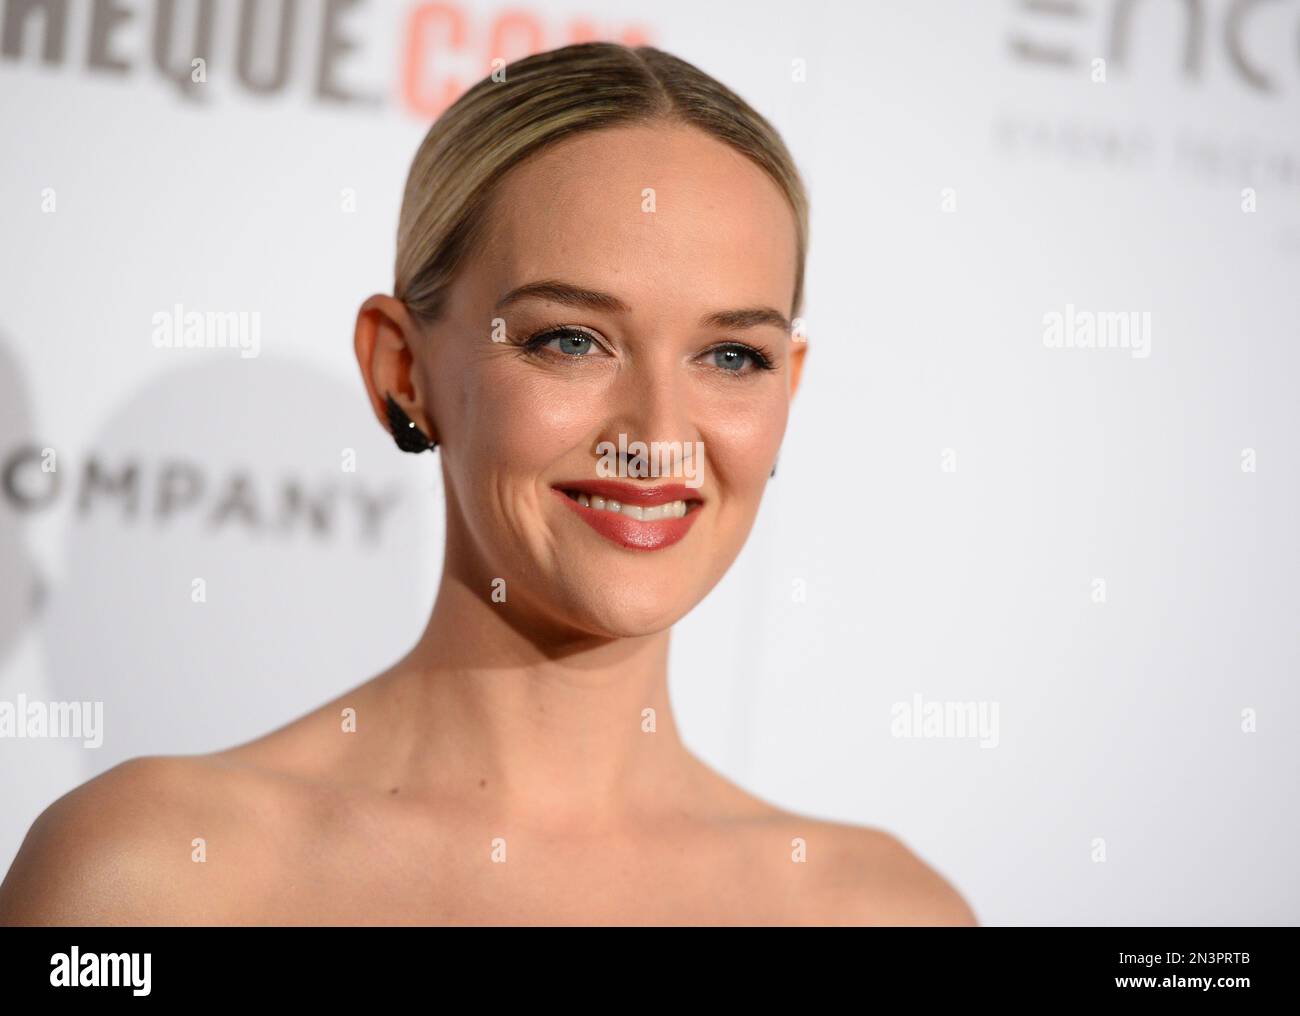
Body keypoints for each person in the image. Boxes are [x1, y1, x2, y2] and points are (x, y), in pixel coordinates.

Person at [0, 41, 976, 926]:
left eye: (731, 356)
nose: (657, 437)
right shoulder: (151, 876)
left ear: (787, 389)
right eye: (571, 340)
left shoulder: (886, 913)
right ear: (402, 368)